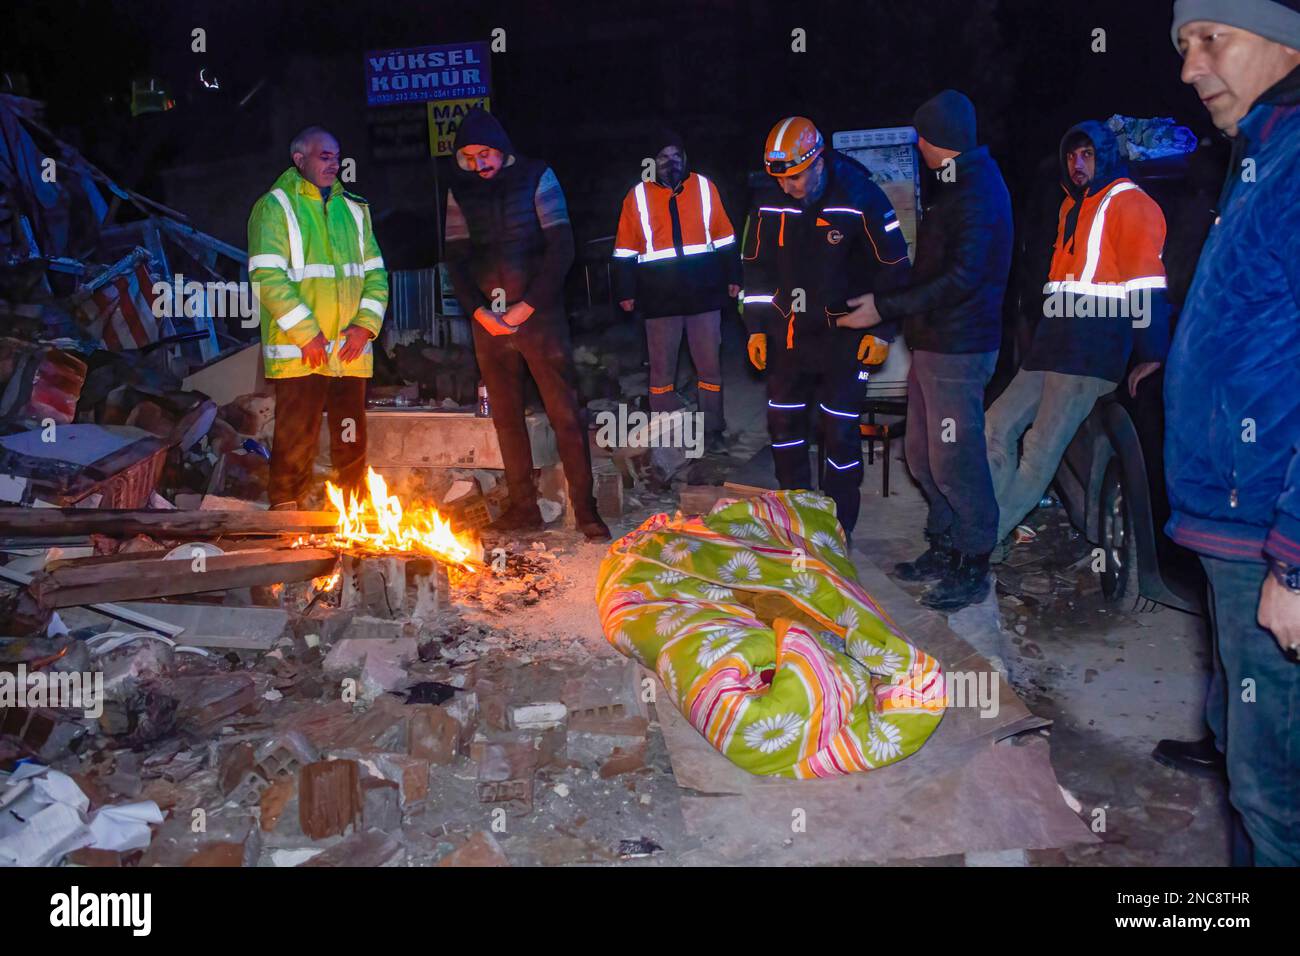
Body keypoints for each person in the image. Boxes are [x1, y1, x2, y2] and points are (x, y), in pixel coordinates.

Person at [1154, 0, 1300, 867]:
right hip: (1235, 534)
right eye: (1182, 44)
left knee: (1273, 797)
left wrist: (1293, 556)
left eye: (1212, 38)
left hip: (1266, 543)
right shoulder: (1264, 155)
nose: (1189, 66)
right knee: (1248, 765)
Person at [838, 90, 1013, 611]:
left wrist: (885, 306)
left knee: (956, 460)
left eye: (921, 136)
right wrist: (887, 292)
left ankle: (973, 561)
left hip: (960, 348)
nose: (917, 145)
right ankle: (943, 544)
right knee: (920, 453)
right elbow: (934, 266)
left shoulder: (979, 190)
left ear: (935, 140)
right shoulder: (956, 183)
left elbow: (961, 278)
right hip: (934, 343)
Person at [984, 120, 1170, 558]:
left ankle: (981, 543)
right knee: (993, 426)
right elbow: (1058, 287)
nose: (1077, 163)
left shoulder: (1130, 203)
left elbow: (1146, 287)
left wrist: (1152, 352)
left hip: (1090, 353)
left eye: (1087, 154)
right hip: (1055, 347)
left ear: (1105, 155)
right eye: (1072, 155)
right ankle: (987, 528)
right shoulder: (1075, 205)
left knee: (1039, 447)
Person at [443, 108, 610, 541]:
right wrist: (479, 312)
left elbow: (562, 248)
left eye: (485, 154)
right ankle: (523, 508)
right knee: (506, 417)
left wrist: (527, 306)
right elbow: (456, 260)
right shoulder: (460, 192)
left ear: (501, 149)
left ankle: (585, 509)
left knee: (564, 414)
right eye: (470, 157)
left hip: (539, 318)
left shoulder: (539, 177)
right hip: (488, 323)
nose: (480, 164)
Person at [741, 116, 910, 538]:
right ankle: (796, 515)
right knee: (783, 427)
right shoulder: (768, 200)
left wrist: (882, 330)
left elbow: (893, 269)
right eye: (779, 178)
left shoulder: (861, 196)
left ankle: (837, 527)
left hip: (844, 338)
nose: (788, 187)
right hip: (787, 338)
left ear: (817, 161)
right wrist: (756, 328)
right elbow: (755, 271)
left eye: (795, 177)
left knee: (839, 433)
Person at [248, 126, 388, 509]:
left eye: (337, 156)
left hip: (349, 351)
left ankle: (354, 518)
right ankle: (286, 520)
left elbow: (376, 275)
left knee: (350, 441)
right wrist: (307, 334)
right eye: (325, 156)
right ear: (299, 160)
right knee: (296, 440)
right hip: (302, 352)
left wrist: (365, 327)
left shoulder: (355, 210)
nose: (335, 163)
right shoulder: (275, 207)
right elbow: (267, 275)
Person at [612, 126, 741, 452]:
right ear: (652, 161)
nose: (672, 163)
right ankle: (669, 437)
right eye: (664, 157)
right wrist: (625, 291)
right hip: (659, 299)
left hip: (704, 293)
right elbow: (625, 249)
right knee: (661, 373)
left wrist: (734, 276)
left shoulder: (704, 187)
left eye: (676, 156)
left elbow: (725, 237)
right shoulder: (637, 196)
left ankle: (712, 432)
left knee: (709, 368)